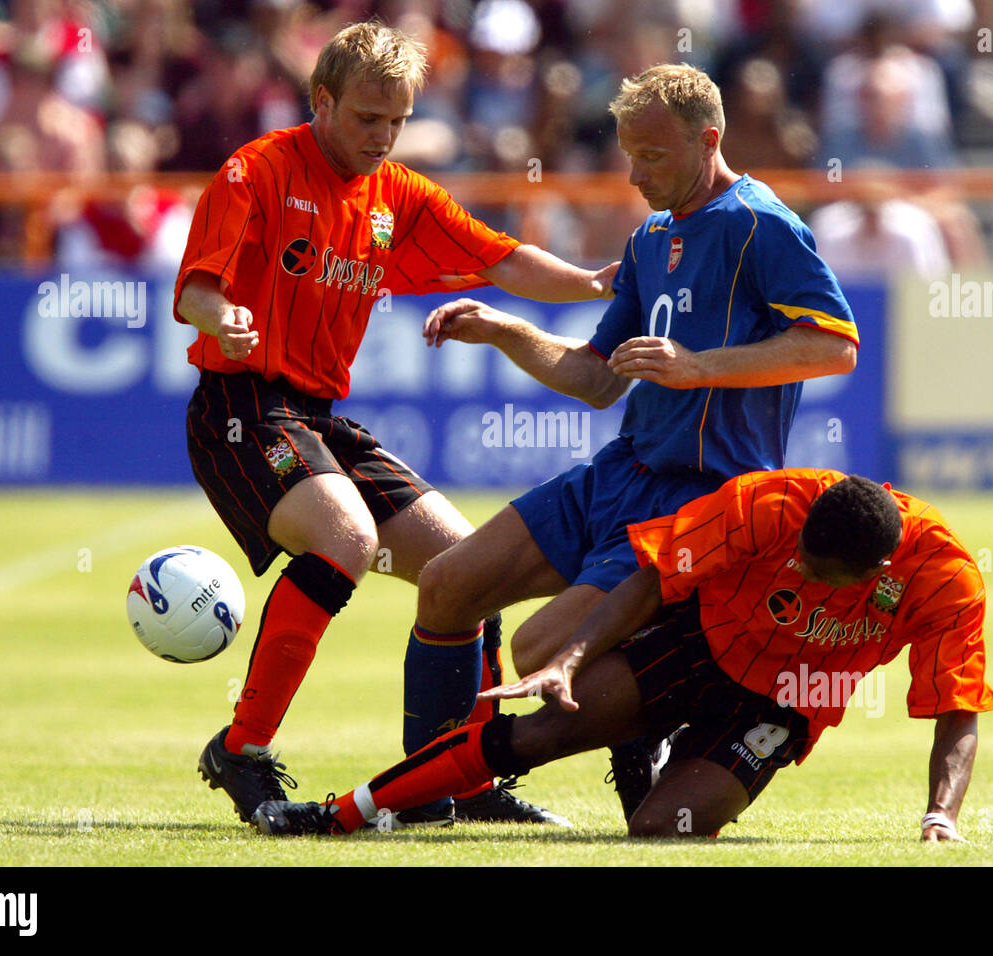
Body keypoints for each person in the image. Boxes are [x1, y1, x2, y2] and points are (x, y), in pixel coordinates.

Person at [175, 21, 614, 828]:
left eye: (396, 122)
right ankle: (240, 750)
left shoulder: (397, 195)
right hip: (238, 408)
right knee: (342, 539)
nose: (382, 138)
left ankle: (464, 780)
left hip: (315, 415)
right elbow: (193, 290)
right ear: (322, 101)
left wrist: (596, 282)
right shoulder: (258, 171)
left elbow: (506, 259)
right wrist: (223, 314)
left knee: (472, 569)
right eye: (366, 119)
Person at [401, 63, 858, 821]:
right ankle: (440, 793)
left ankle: (649, 712)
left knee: (540, 651)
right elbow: (600, 378)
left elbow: (834, 346)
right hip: (619, 472)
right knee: (447, 584)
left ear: (708, 140)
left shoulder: (761, 224)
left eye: (652, 156)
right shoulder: (651, 237)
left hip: (700, 495)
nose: (635, 174)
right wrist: (506, 330)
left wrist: (700, 368)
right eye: (627, 155)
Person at [251, 469, 993, 840]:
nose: (799, 569)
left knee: (659, 830)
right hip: (695, 646)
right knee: (538, 734)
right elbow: (651, 578)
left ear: (874, 574)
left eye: (818, 572)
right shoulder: (775, 502)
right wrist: (571, 658)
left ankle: (665, 746)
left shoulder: (946, 580)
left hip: (781, 705)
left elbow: (957, 709)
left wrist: (941, 816)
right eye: (800, 556)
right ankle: (341, 813)